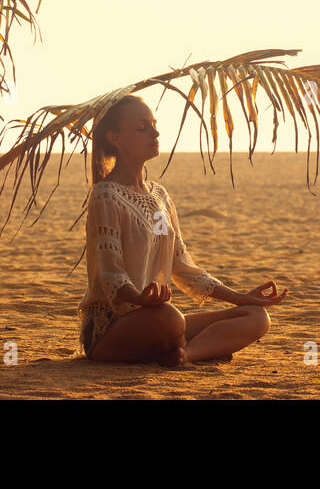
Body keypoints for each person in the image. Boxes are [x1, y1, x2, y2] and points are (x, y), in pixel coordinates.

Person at [77, 94, 287, 365]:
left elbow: (182, 266)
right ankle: (184, 345)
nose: (155, 132)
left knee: (256, 317)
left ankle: (185, 354)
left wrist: (241, 297)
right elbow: (111, 277)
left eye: (154, 125)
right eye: (142, 128)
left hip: (157, 317)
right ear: (114, 138)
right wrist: (142, 300)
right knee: (170, 319)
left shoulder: (160, 197)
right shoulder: (106, 196)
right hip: (112, 330)